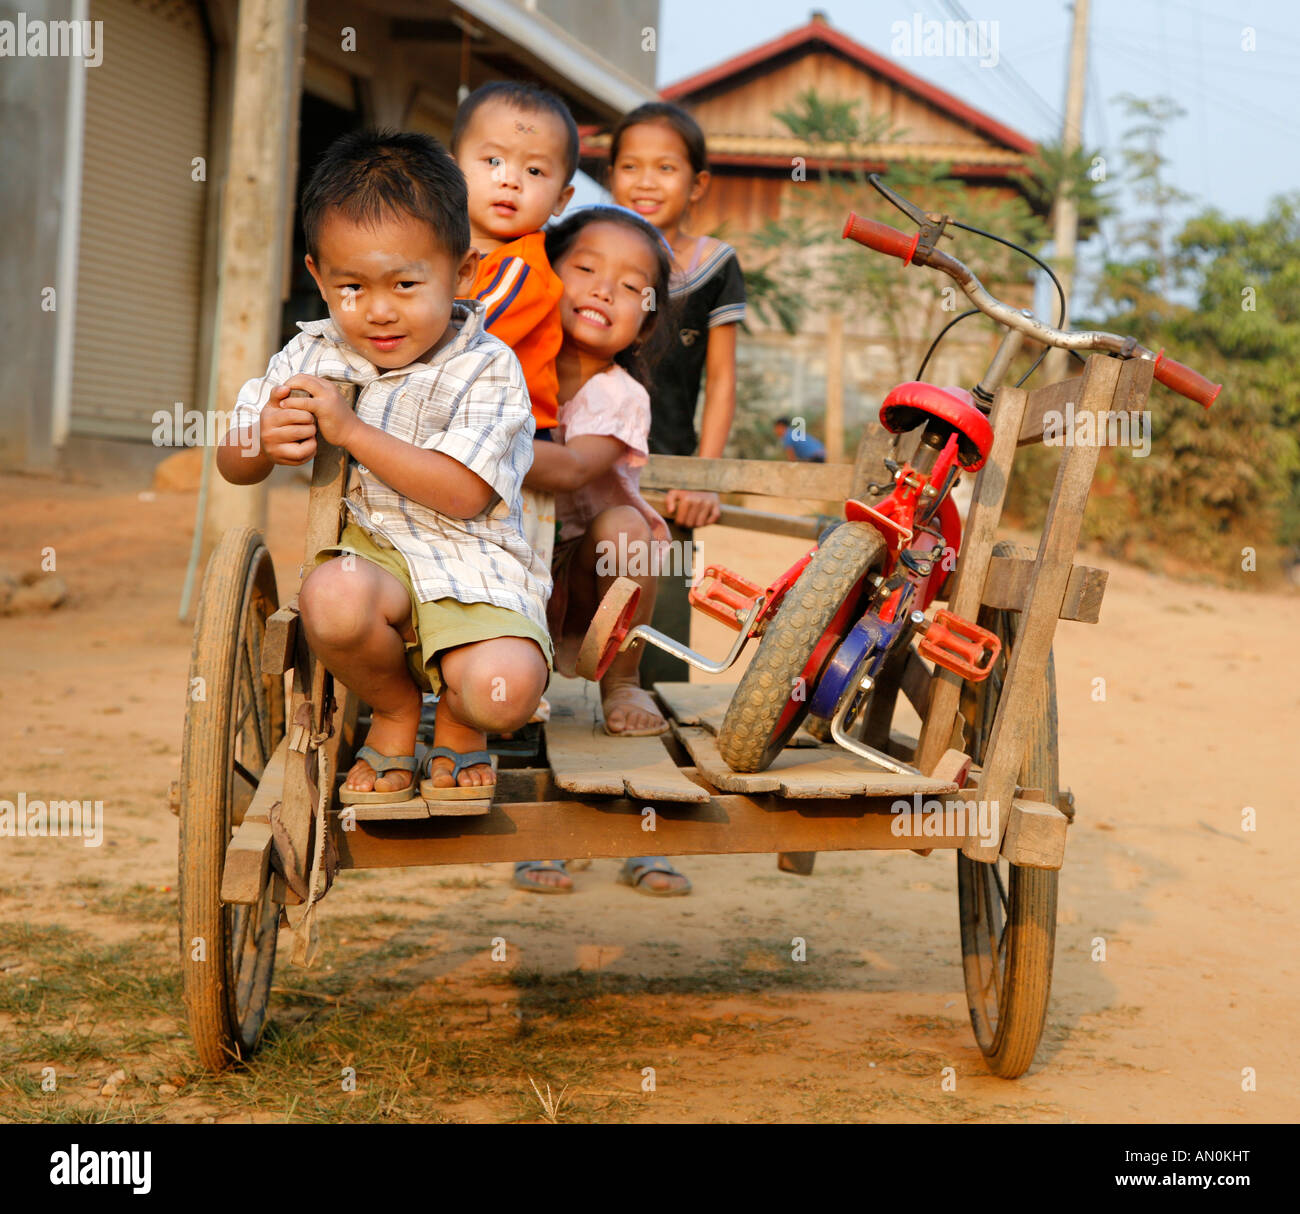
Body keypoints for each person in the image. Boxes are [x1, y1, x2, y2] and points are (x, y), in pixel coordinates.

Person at [217, 129, 551, 805]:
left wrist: (350, 430)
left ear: (463, 273)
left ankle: (461, 718)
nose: (378, 309)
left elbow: (462, 495)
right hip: (372, 559)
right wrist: (262, 441)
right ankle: (398, 712)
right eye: (351, 285)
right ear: (317, 276)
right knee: (329, 600)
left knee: (504, 693)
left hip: (479, 567)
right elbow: (233, 462)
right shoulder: (309, 356)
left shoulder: (488, 369)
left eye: (405, 283)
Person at [511, 206, 688, 896]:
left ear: (646, 322)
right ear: (544, 280)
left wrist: (455, 445)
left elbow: (566, 471)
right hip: (510, 571)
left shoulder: (621, 395)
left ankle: (621, 680)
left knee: (625, 531)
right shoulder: (503, 366)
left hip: (591, 577)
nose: (603, 290)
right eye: (584, 269)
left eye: (630, 287)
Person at [605, 101, 746, 895]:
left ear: (697, 184)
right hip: (591, 467)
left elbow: (721, 379)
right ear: (609, 173)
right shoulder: (589, 252)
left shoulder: (715, 265)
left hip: (672, 479)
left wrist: (705, 475)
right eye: (630, 165)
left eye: (666, 167)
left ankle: (652, 831)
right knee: (570, 629)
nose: (646, 180)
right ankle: (542, 827)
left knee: (657, 644)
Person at [451, 81, 577, 583]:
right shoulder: (444, 254)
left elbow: (462, 334)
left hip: (511, 449)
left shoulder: (521, 267)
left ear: (563, 197)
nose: (510, 182)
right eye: (492, 162)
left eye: (534, 170)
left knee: (497, 591)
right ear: (450, 169)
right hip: (460, 429)